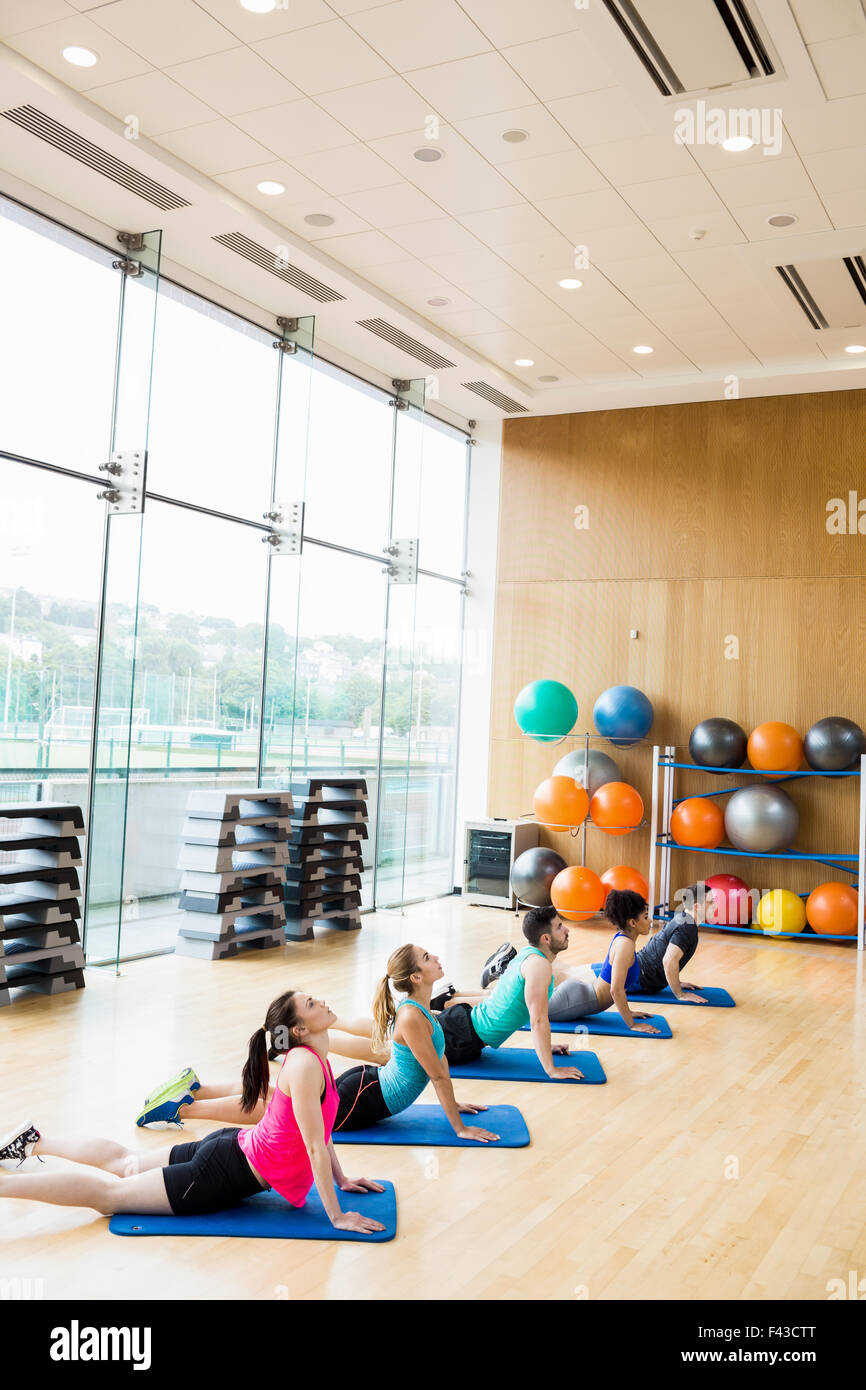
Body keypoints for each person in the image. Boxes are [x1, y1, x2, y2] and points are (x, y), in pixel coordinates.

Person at [0, 990, 385, 1236]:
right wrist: (335, 1216)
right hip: (224, 1170)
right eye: (312, 1003)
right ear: (299, 1029)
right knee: (109, 1197)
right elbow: (314, 1146)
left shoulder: (313, 1058)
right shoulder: (305, 1066)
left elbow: (320, 1136)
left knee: (126, 1163)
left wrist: (343, 1179)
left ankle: (35, 1143)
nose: (323, 1001)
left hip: (230, 1149)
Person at [139, 948, 500, 1144]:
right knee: (274, 1113)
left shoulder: (418, 1009)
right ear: (416, 977)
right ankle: (183, 1108)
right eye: (426, 957)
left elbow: (437, 1065)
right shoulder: (411, 1016)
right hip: (363, 1095)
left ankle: (196, 1090)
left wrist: (454, 1103)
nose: (436, 957)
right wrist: (459, 1128)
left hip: (366, 1086)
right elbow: (437, 1076)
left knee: (276, 1098)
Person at [436, 907, 584, 1081]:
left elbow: (519, 1008)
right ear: (546, 938)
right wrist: (552, 1070)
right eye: (559, 927)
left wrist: (546, 1046)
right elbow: (538, 1021)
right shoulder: (539, 966)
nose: (566, 930)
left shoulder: (528, 954)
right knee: (403, 1054)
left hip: (463, 1027)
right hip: (460, 1036)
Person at [632, 883, 712, 1002]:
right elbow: (668, 961)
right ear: (696, 906)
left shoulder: (684, 919)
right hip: (635, 978)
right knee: (596, 981)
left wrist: (677, 982)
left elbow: (661, 951)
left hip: (636, 969)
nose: (715, 905)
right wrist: (680, 994)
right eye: (711, 902)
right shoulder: (687, 927)